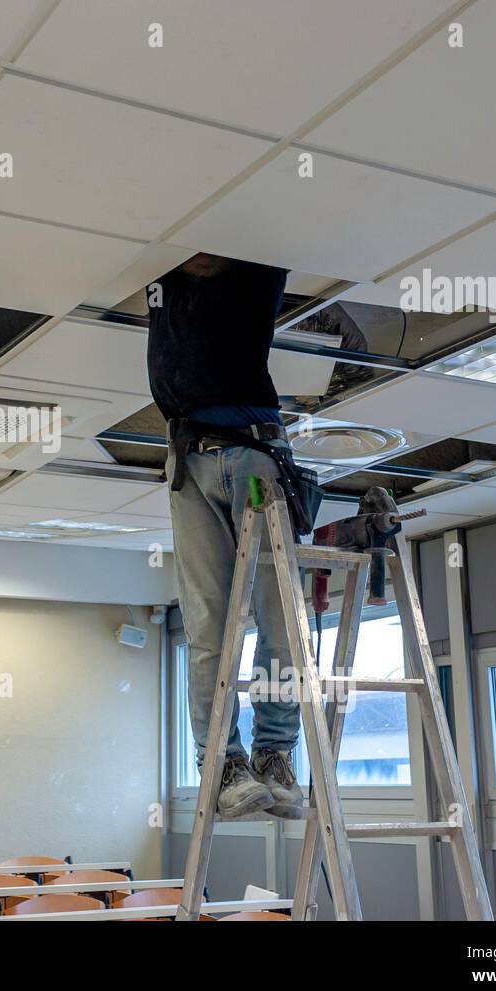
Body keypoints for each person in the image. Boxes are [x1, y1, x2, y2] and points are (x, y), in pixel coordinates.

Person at [146, 252, 304, 819]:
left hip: (255, 455)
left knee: (279, 618)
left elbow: (216, 257)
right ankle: (223, 763)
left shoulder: (257, 265)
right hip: (188, 462)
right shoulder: (161, 276)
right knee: (208, 626)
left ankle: (276, 753)